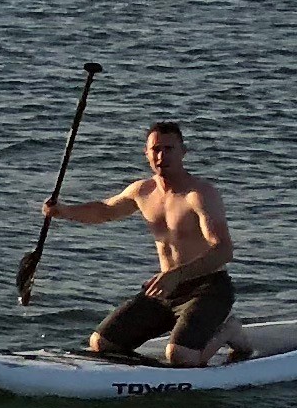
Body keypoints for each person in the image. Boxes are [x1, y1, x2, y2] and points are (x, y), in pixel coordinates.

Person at [46, 120, 244, 366]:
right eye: (156, 150)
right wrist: (63, 211)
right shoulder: (143, 191)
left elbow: (224, 250)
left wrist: (177, 274)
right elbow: (105, 211)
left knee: (181, 357)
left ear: (183, 153)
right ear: (147, 154)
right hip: (164, 289)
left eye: (169, 149)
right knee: (102, 344)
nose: (162, 156)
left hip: (208, 289)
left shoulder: (200, 195)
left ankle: (228, 330)